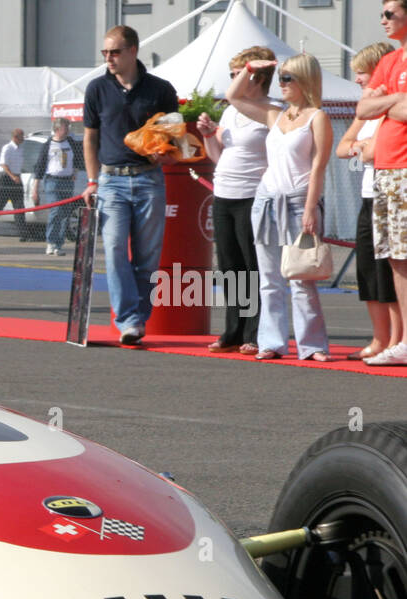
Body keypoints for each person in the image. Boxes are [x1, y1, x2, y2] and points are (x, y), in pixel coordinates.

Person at [227, 54, 333, 362]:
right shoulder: (276, 115)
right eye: (280, 78)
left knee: (302, 277)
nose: (281, 84)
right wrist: (249, 70)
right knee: (269, 278)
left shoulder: (318, 117)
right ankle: (271, 341)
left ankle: (312, 345)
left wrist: (311, 209)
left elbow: (318, 167)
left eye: (288, 78)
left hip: (299, 200)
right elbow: (234, 96)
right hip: (266, 200)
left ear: (305, 81)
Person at [82, 26, 180, 345]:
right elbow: (90, 137)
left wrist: (163, 154)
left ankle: (138, 317)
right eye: (105, 53)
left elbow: (175, 138)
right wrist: (93, 180)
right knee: (113, 249)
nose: (108, 58)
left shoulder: (161, 89)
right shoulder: (96, 88)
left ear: (133, 51)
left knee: (148, 256)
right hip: (111, 180)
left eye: (115, 52)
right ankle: (128, 319)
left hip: (149, 179)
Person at [196, 46, 277, 356]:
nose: (233, 81)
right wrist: (207, 135)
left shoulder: (271, 110)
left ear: (254, 77)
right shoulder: (231, 111)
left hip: (252, 195)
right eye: (232, 75)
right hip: (224, 193)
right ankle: (232, 329)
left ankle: (255, 332)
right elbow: (219, 156)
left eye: (238, 74)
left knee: (252, 265)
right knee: (230, 266)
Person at [338, 41, 401, 362]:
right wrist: (360, 145)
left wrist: (362, 147)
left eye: (363, 73)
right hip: (367, 193)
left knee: (391, 269)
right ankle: (379, 337)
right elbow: (344, 145)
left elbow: (374, 150)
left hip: (388, 189)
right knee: (369, 270)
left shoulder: (391, 110)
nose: (359, 81)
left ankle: (395, 337)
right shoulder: (369, 110)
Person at [359, 0, 407, 366]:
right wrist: (396, 100)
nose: (383, 20)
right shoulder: (389, 61)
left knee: (405, 254)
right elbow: (362, 110)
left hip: (404, 168)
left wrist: (384, 101)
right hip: (385, 170)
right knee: (395, 257)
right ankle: (403, 340)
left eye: (390, 14)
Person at [31, 118, 84, 256]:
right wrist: (35, 188)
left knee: (65, 213)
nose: (67, 130)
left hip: (67, 181)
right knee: (56, 211)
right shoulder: (48, 144)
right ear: (57, 129)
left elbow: (79, 158)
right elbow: (40, 166)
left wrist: (75, 171)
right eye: (65, 128)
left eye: (68, 127)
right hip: (52, 181)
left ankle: (58, 245)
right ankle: (51, 242)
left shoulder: (70, 142)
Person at [0, 129, 27, 239]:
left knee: (19, 207)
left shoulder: (20, 149)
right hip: (7, 179)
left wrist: (17, 176)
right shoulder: (7, 148)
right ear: (15, 137)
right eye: (21, 136)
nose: (23, 138)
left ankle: (23, 234)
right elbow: (3, 164)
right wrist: (12, 176)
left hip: (17, 179)